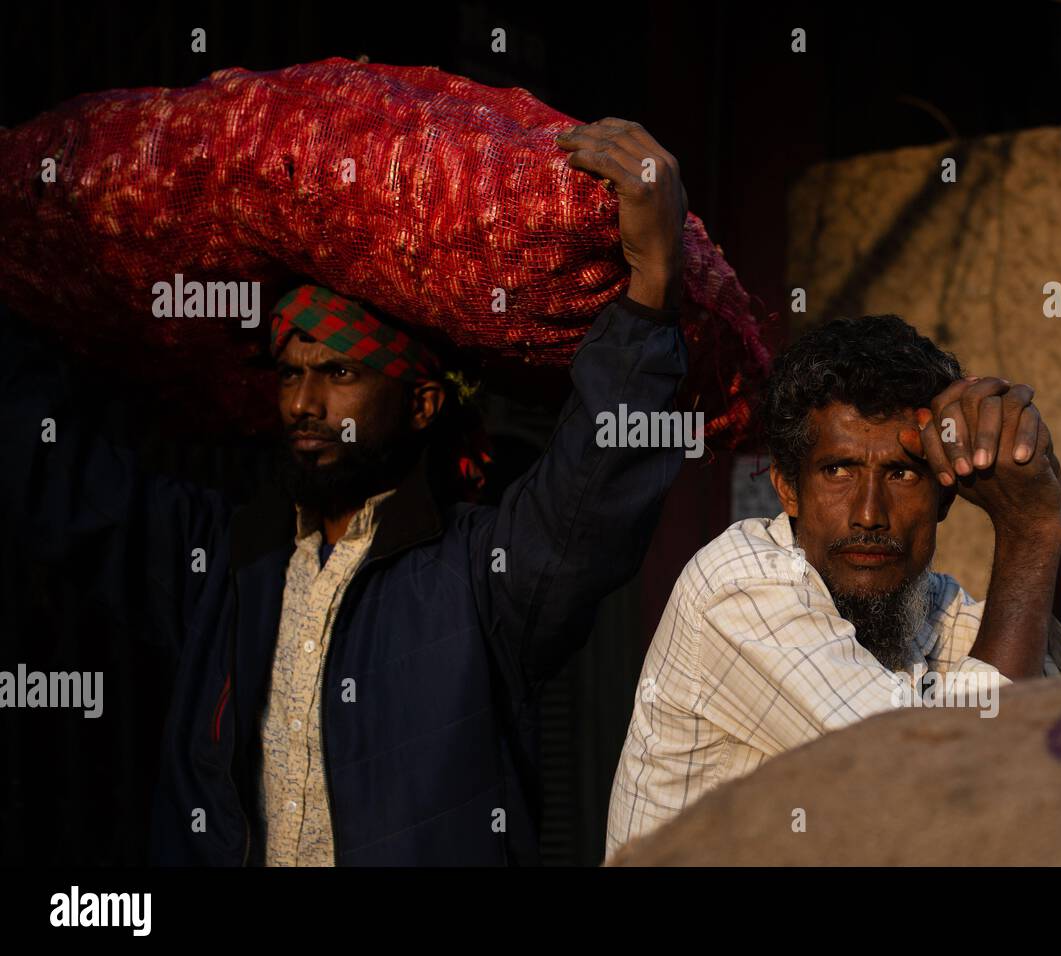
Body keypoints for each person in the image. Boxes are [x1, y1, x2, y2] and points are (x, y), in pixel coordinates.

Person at [1, 118, 691, 866]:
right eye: (292, 374)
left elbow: (591, 495)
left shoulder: (479, 574)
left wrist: (649, 286)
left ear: (421, 405)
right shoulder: (224, 565)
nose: (304, 404)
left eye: (339, 374)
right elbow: (58, 480)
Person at [605, 314, 1061, 856]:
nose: (869, 514)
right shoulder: (740, 588)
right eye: (838, 471)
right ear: (788, 491)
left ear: (945, 495)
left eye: (902, 474)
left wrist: (1039, 471)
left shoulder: (928, 607)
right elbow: (947, 788)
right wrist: (1028, 533)